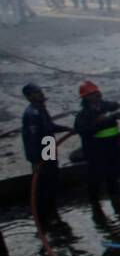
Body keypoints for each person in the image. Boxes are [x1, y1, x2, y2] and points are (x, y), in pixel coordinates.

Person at [73, 81, 120, 210]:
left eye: (97, 92)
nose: (97, 95)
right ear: (86, 98)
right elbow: (82, 131)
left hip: (114, 149)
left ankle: (116, 203)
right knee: (96, 179)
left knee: (113, 177)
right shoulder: (83, 115)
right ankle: (95, 206)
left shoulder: (110, 106)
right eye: (93, 94)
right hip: (96, 153)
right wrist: (97, 123)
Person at [22, 83, 72, 220]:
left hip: (48, 151)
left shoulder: (41, 109)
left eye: (40, 91)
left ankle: (53, 212)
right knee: (43, 186)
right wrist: (37, 160)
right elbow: (33, 140)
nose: (40, 94)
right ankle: (44, 217)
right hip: (41, 155)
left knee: (52, 182)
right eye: (36, 92)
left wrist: (66, 129)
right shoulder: (32, 114)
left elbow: (50, 127)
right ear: (28, 97)